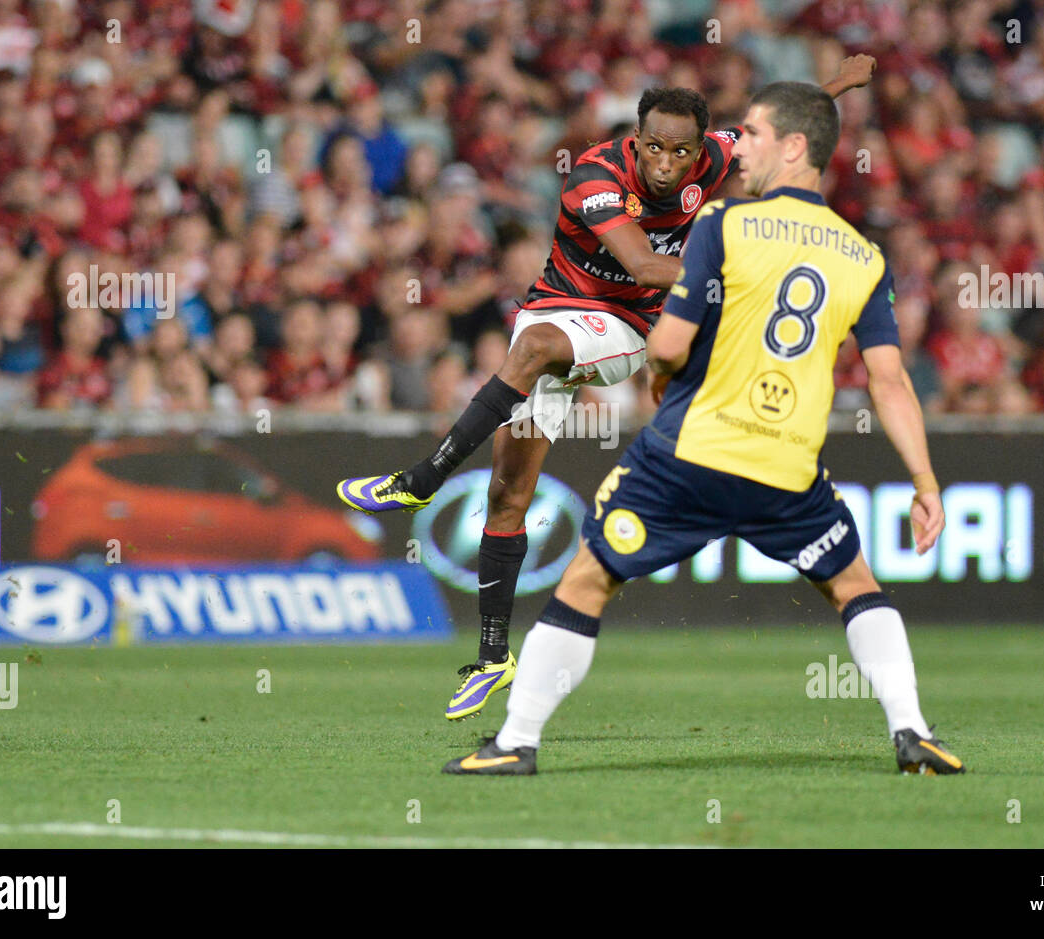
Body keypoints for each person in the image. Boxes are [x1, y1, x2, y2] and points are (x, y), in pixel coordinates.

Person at [444, 80, 965, 776]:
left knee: (588, 581)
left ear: (792, 146)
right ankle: (911, 730)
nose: (736, 147)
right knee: (854, 585)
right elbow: (890, 381)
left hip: (690, 450)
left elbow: (664, 346)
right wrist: (925, 482)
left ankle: (516, 742)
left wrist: (661, 378)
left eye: (750, 134)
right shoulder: (862, 257)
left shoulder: (726, 225)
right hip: (786, 465)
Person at [338, 56, 878, 721]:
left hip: (625, 327)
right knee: (509, 490)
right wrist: (744, 265)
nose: (665, 162)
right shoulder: (596, 176)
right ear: (636, 138)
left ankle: (423, 476)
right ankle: (491, 657)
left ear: (699, 147)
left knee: (534, 350)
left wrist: (838, 85)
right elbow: (644, 262)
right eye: (653, 145)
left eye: (681, 150)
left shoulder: (714, 155)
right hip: (555, 309)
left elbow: (782, 128)